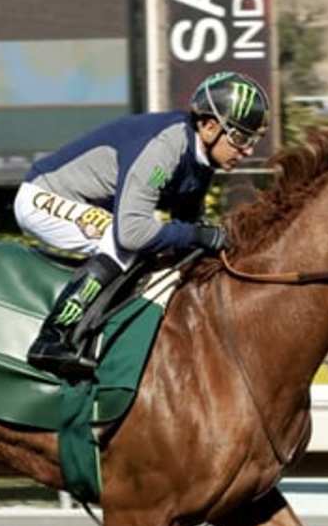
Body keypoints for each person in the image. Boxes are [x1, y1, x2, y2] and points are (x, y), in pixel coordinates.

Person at [14, 70, 271, 379]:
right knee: (121, 242)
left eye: (254, 140)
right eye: (241, 138)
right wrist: (197, 235)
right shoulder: (166, 146)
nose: (248, 150)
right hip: (42, 197)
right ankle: (52, 338)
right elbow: (133, 232)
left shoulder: (202, 161)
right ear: (209, 126)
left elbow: (187, 225)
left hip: (87, 206)